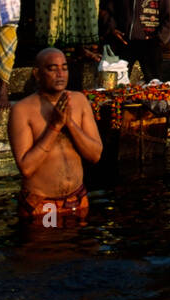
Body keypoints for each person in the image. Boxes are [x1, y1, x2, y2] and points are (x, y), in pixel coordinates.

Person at [8, 47, 102, 224]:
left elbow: (95, 155)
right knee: (48, 250)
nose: (60, 74)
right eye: (52, 68)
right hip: (42, 205)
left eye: (64, 68)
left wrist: (70, 124)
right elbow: (26, 168)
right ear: (37, 73)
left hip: (78, 199)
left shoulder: (80, 101)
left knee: (80, 250)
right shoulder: (22, 110)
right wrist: (54, 127)